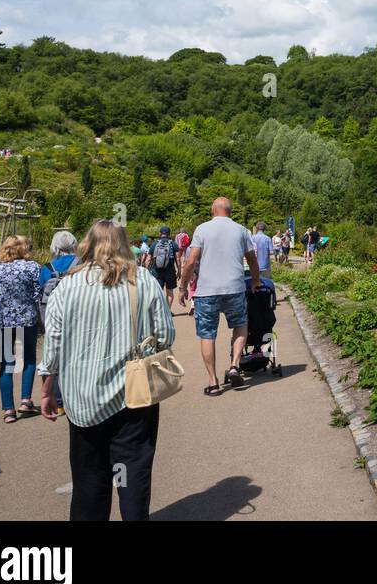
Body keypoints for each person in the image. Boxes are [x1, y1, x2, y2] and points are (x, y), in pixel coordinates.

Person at [39, 219, 174, 521]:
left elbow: (53, 345)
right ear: (124, 245)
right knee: (133, 475)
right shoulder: (144, 281)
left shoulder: (67, 286)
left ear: (87, 244)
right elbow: (166, 335)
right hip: (134, 395)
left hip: (83, 399)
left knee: (89, 480)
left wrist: (47, 389)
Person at [179, 197, 260, 395]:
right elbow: (252, 259)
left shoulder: (202, 229)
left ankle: (213, 382)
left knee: (207, 333)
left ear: (212, 210)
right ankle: (234, 365)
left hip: (207, 291)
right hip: (235, 288)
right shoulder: (242, 230)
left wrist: (182, 287)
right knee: (241, 325)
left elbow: (190, 262)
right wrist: (256, 280)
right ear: (230, 211)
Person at [0, 235, 42, 423]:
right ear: (22, 248)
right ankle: (26, 400)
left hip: (3, 322)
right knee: (30, 358)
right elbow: (37, 294)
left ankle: (9, 409)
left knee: (7, 363)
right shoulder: (32, 267)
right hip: (27, 320)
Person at [38, 230, 77, 409]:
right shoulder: (81, 264)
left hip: (52, 318)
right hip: (76, 316)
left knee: (54, 357)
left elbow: (38, 293)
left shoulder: (46, 268)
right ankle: (75, 397)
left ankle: (59, 402)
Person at [150, 226, 181, 311]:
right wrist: (179, 271)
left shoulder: (155, 244)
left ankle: (158, 312)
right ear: (169, 234)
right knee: (170, 293)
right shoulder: (173, 244)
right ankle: (167, 311)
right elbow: (178, 258)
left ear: (160, 233)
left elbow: (149, 259)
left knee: (157, 293)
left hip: (157, 272)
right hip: (170, 272)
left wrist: (147, 270)